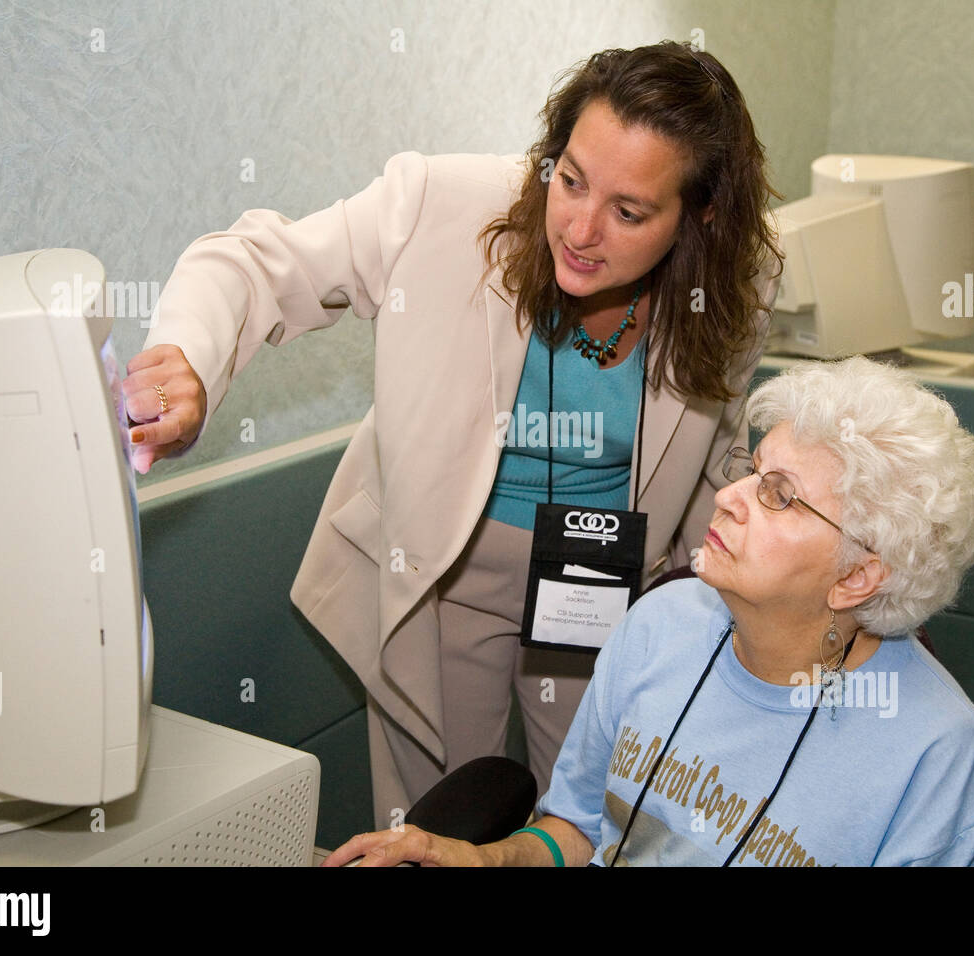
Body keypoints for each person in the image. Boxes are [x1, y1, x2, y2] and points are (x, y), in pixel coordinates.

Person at [124, 41, 782, 827]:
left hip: (607, 583)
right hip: (443, 572)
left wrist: (704, 605)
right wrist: (187, 358)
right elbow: (255, 261)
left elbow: (717, 447)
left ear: (700, 216)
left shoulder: (741, 282)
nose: (578, 227)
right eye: (569, 179)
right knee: (438, 823)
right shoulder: (441, 203)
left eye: (629, 212)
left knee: (603, 820)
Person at [325, 357, 974, 866]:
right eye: (750, 467)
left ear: (858, 575)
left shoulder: (938, 754)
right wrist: (479, 858)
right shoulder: (662, 622)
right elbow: (576, 828)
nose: (730, 495)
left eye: (778, 494)